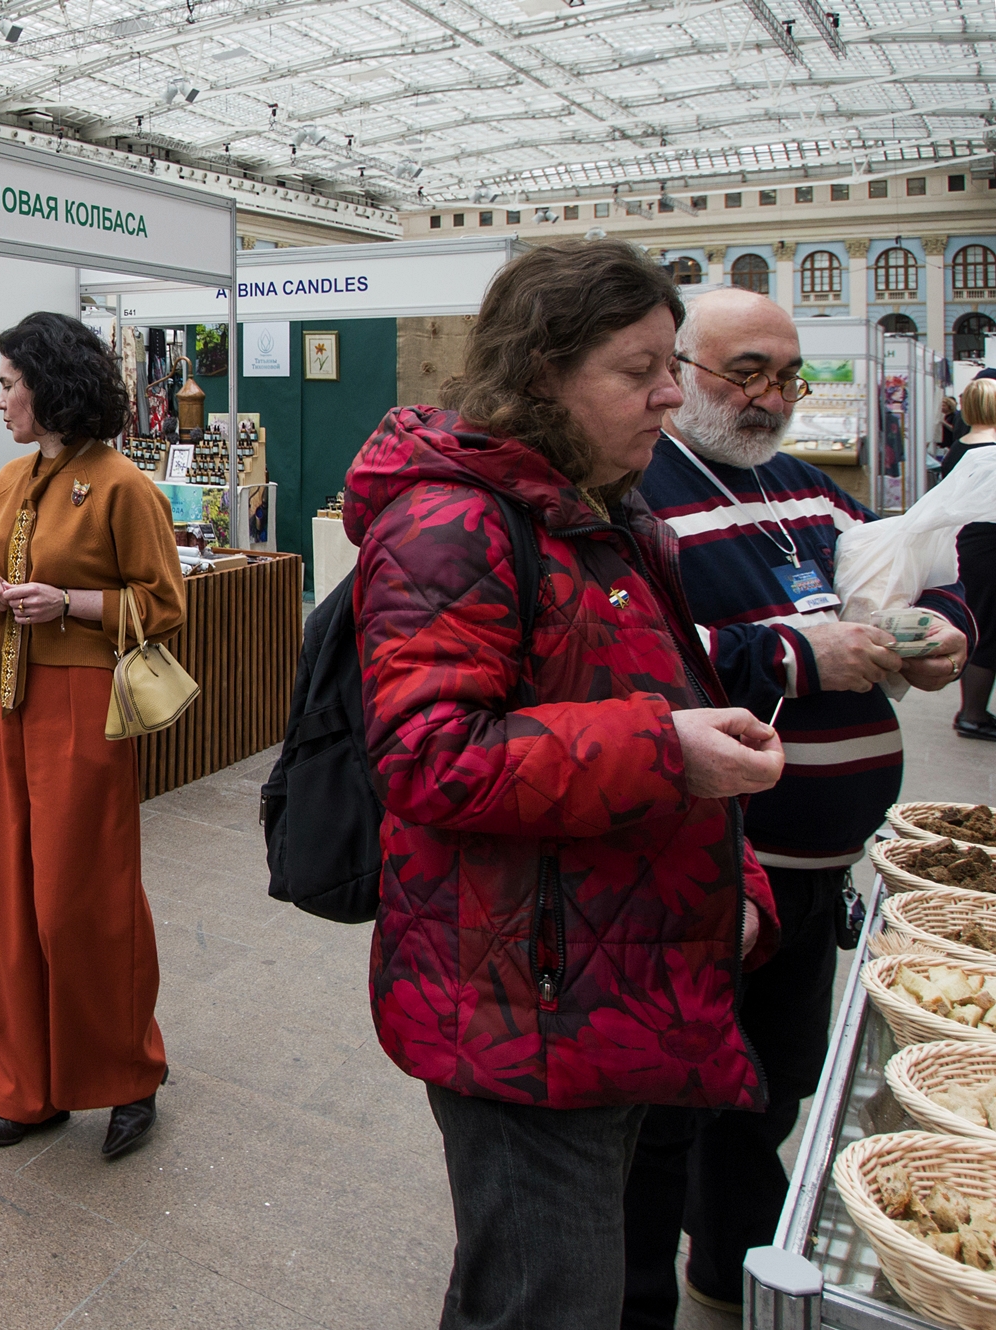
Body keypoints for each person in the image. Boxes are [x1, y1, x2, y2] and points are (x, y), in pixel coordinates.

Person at [343, 238, 786, 1330]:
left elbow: (652, 703)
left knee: (566, 1285)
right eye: (637, 370)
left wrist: (735, 884)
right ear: (543, 370)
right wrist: (665, 749)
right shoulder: (450, 523)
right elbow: (427, 754)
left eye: (670, 362)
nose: (670, 393)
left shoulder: (603, 515)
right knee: (547, 1297)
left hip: (605, 979)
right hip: (519, 1004)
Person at [623, 288, 975, 1325]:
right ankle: (685, 1268)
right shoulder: (640, 496)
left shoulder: (800, 488)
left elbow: (903, 568)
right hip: (718, 862)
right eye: (746, 374)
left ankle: (723, 1260)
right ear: (677, 370)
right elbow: (637, 678)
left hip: (818, 863)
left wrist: (938, 625)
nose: (770, 396)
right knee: (693, 1093)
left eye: (788, 375)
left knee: (772, 1080)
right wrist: (791, 654)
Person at [0, 311, 186, 1159]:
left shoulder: (125, 486)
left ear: (51, 385)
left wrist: (70, 604)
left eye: (11, 383)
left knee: (81, 900)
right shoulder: (12, 479)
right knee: (12, 901)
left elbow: (163, 606)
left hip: (85, 707)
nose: (2, 400)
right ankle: (24, 1086)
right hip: (7, 698)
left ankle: (128, 1073)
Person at [944, 376, 996, 740]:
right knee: (989, 628)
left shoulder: (963, 444)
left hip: (971, 544)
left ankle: (973, 712)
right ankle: (972, 714)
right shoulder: (988, 448)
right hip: (986, 546)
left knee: (983, 623)